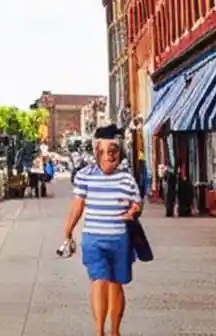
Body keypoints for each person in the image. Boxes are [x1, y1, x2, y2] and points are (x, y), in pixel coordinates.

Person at [60, 126, 141, 336]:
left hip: (120, 239)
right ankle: (99, 332)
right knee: (99, 280)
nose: (109, 157)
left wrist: (133, 211)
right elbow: (78, 205)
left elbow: (137, 204)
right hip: (94, 238)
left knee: (116, 283)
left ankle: (114, 331)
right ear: (97, 152)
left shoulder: (127, 179)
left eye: (114, 152)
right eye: (105, 152)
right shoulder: (85, 176)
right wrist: (67, 230)